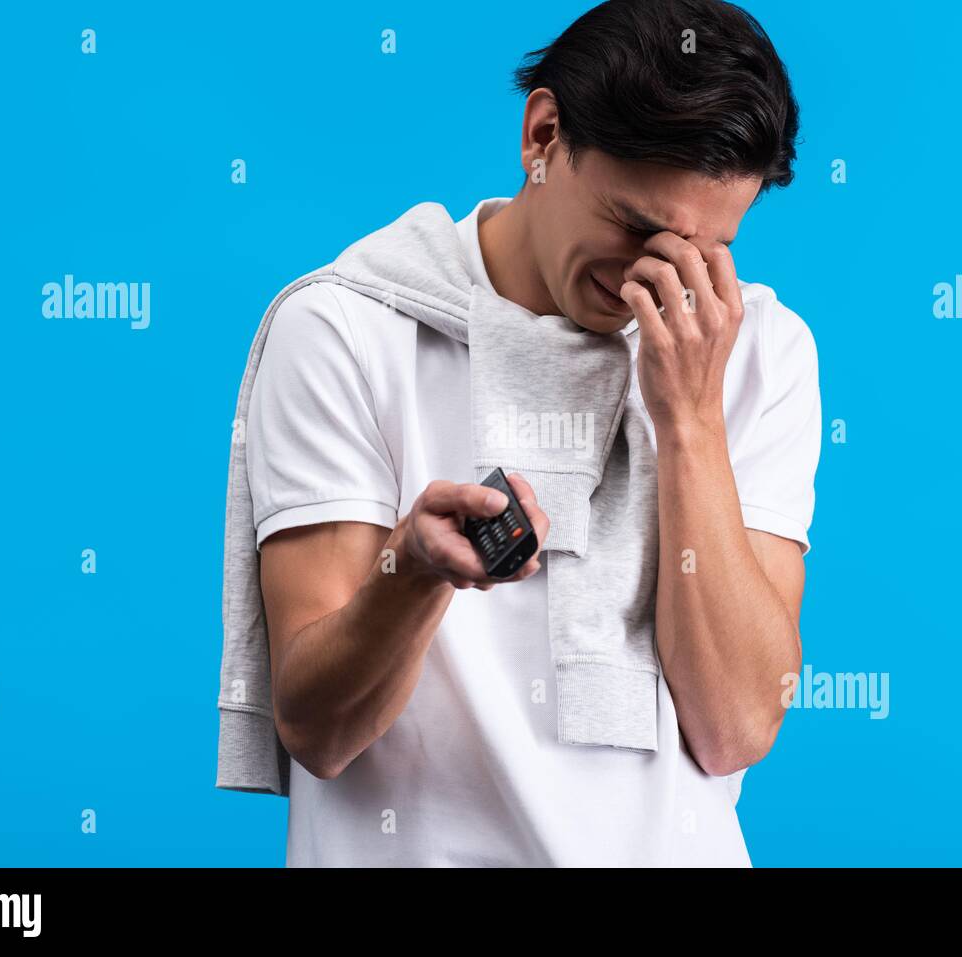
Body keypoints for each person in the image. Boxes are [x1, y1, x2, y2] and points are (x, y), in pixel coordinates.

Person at [245, 0, 820, 866]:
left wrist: (690, 419)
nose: (653, 280)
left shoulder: (756, 350)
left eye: (707, 249)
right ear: (544, 135)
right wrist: (411, 572)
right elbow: (317, 731)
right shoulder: (345, 329)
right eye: (634, 226)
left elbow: (737, 724)